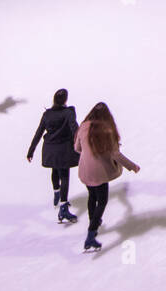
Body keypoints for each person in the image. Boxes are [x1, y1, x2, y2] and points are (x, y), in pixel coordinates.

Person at [75, 102, 140, 252]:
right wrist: (132, 166)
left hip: (85, 169)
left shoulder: (83, 126)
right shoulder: (107, 130)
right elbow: (115, 154)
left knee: (92, 196)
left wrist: (88, 153)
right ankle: (91, 235)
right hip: (100, 172)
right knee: (102, 201)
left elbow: (77, 148)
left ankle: (94, 221)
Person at [27, 88, 81, 224]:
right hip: (64, 149)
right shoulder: (68, 113)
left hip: (50, 149)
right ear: (65, 100)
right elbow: (75, 129)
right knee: (65, 176)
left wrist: (31, 150)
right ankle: (63, 207)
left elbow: (38, 132)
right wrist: (83, 143)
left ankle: (56, 192)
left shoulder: (47, 114)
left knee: (54, 170)